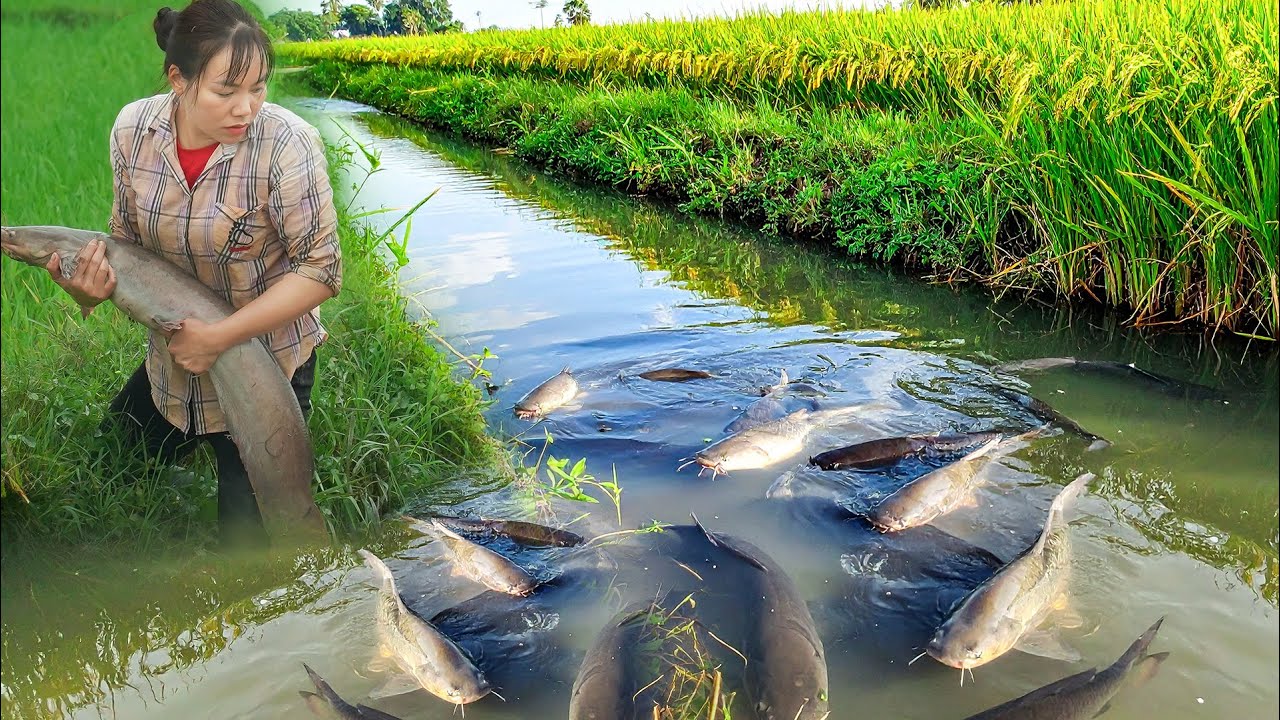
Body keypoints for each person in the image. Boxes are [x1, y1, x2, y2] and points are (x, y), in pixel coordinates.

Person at [46, 0, 343, 546]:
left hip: (266, 365)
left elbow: (321, 270)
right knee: (108, 466)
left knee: (256, 550)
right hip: (173, 364)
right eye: (226, 92)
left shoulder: (287, 143)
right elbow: (128, 247)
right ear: (177, 80)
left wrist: (220, 337)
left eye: (258, 88)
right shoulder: (134, 130)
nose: (246, 108)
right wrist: (86, 288)